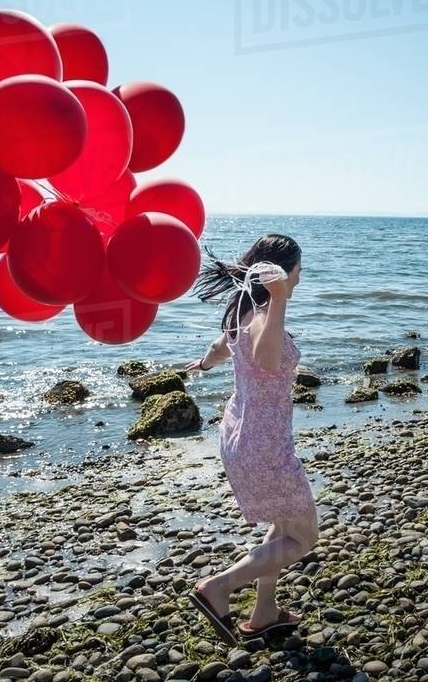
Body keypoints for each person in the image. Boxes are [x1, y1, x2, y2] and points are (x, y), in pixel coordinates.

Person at [184, 233, 319, 645]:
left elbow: (221, 345)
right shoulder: (266, 311)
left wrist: (204, 364)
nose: (299, 277)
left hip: (239, 436)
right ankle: (219, 587)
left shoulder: (245, 309)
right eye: (298, 269)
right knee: (302, 537)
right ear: (288, 271)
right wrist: (279, 300)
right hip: (264, 447)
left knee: (283, 522)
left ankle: (264, 612)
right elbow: (264, 360)